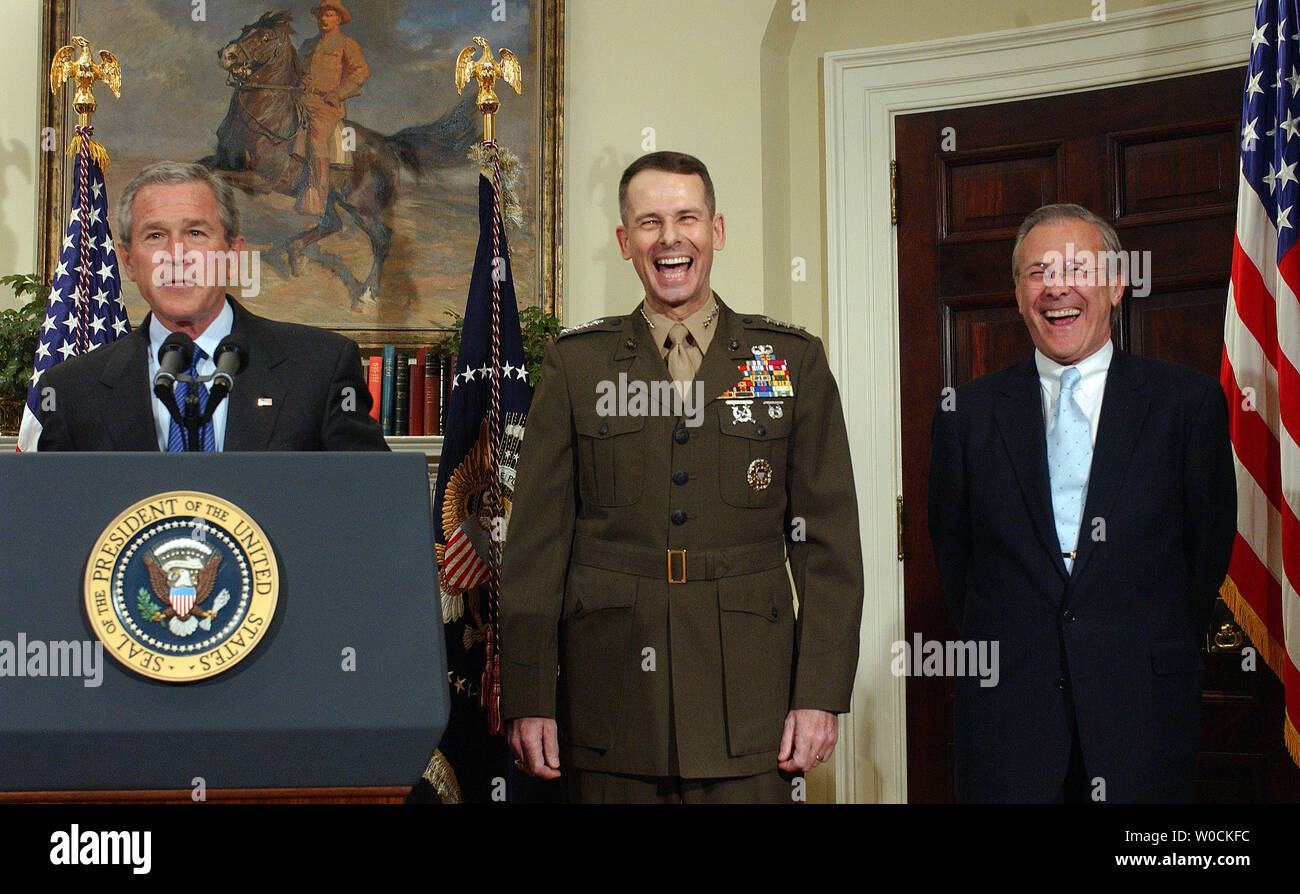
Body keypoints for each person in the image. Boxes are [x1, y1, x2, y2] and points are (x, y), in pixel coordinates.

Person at [500, 151, 864, 803]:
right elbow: (535, 546)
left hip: (751, 705)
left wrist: (819, 692)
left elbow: (829, 546)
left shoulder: (787, 361)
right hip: (608, 700)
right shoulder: (577, 366)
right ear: (624, 242)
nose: (670, 238)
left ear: (716, 232)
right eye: (649, 222)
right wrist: (530, 694)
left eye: (687, 218)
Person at [927, 203, 1236, 803]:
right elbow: (956, 560)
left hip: (1142, 721)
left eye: (1077, 267)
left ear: (1117, 284)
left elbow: (1205, 555)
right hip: (1008, 729)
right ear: (1018, 295)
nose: (1057, 287)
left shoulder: (1185, 404)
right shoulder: (965, 416)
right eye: (1037, 271)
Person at [36, 161, 386, 452]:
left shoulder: (320, 369)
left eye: (196, 234)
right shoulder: (71, 391)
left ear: (232, 256)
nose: (176, 256)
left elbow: (372, 505)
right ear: (127, 261)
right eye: (155, 235)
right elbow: (52, 524)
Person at [295, 0, 369, 217]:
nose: (323, 19)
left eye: (328, 15)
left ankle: (318, 198)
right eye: (321, 15)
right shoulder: (308, 44)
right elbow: (298, 70)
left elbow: (361, 72)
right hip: (301, 99)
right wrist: (300, 79)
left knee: (316, 141)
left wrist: (338, 93)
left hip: (326, 106)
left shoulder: (346, 43)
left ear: (338, 18)